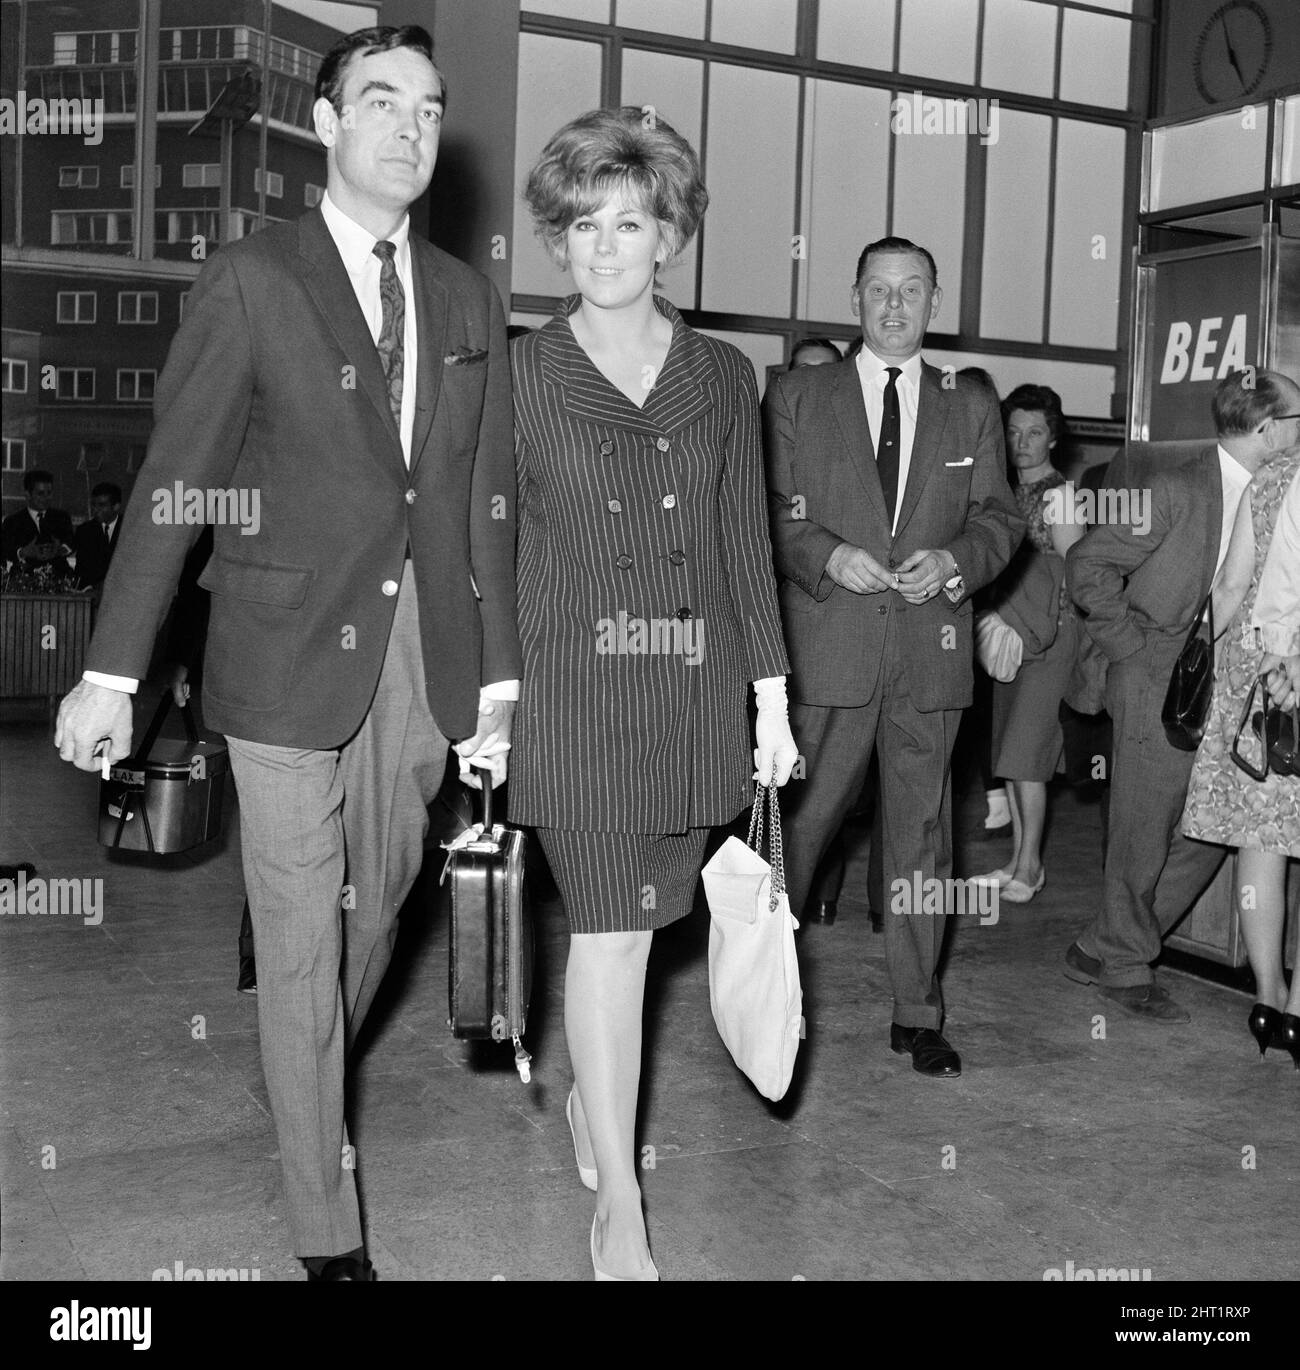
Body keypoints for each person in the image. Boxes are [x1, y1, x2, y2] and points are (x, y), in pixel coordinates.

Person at [55, 24, 520, 1280]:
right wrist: (114, 669)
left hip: (426, 662)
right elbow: (175, 482)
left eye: (428, 110)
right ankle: (328, 1221)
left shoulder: (472, 299)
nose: (410, 129)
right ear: (325, 124)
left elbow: (483, 502)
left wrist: (499, 678)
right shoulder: (255, 275)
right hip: (277, 656)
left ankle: (299, 1064)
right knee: (305, 923)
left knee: (378, 910)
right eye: (381, 103)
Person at [511, 106, 797, 1279]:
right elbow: (491, 545)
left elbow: (741, 547)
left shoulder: (725, 374)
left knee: (654, 915)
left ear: (668, 232)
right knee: (612, 936)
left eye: (627, 221)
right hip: (572, 696)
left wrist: (770, 700)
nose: (604, 245)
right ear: (557, 241)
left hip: (692, 697)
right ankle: (620, 1201)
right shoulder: (520, 372)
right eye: (581, 224)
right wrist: (485, 691)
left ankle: (593, 1101)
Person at [765, 236, 1024, 1079]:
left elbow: (1001, 520)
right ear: (854, 298)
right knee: (797, 833)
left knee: (921, 844)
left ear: (935, 304)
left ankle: (919, 1014)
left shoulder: (969, 406)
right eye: (878, 289)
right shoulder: (799, 396)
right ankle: (763, 999)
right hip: (827, 652)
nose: (894, 304)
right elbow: (763, 508)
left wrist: (955, 562)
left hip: (928, 655)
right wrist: (824, 554)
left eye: (911, 290)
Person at [1065, 369, 1299, 1021]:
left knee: (1207, 830)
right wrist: (1134, 652)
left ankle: (1106, 944)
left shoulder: (1275, 493)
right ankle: (1124, 968)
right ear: (1266, 428)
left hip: (1228, 680)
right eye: (1297, 421)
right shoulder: (1175, 486)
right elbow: (1087, 565)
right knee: (1144, 826)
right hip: (1160, 669)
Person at [1181, 422, 1300, 1063]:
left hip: (1257, 683)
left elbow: (1228, 589)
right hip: (1294, 671)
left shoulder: (1272, 476)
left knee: (1263, 839)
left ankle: (1267, 997)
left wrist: (1190, 661)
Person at [973, 384, 1084, 901]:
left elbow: (1075, 571)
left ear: (1053, 438)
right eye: (1014, 432)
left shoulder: (1060, 495)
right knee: (1010, 756)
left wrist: (1052, 632)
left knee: (1029, 757)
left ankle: (1031, 867)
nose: (1023, 442)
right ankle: (1017, 859)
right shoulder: (1005, 493)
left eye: (1034, 432)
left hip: (1048, 641)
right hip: (1010, 635)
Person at [1, 469, 74, 576]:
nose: (46, 498)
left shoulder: (62, 517)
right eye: (40, 493)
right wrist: (24, 552)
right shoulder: (12, 521)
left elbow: (71, 542)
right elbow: (5, 550)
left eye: (49, 493)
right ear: (27, 494)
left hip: (60, 578)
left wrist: (60, 550)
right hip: (24, 579)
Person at [71, 482, 123, 589]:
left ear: (116, 506)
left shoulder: (128, 530)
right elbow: (81, 570)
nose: (95, 509)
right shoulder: (84, 531)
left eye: (102, 505)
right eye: (93, 505)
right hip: (91, 594)